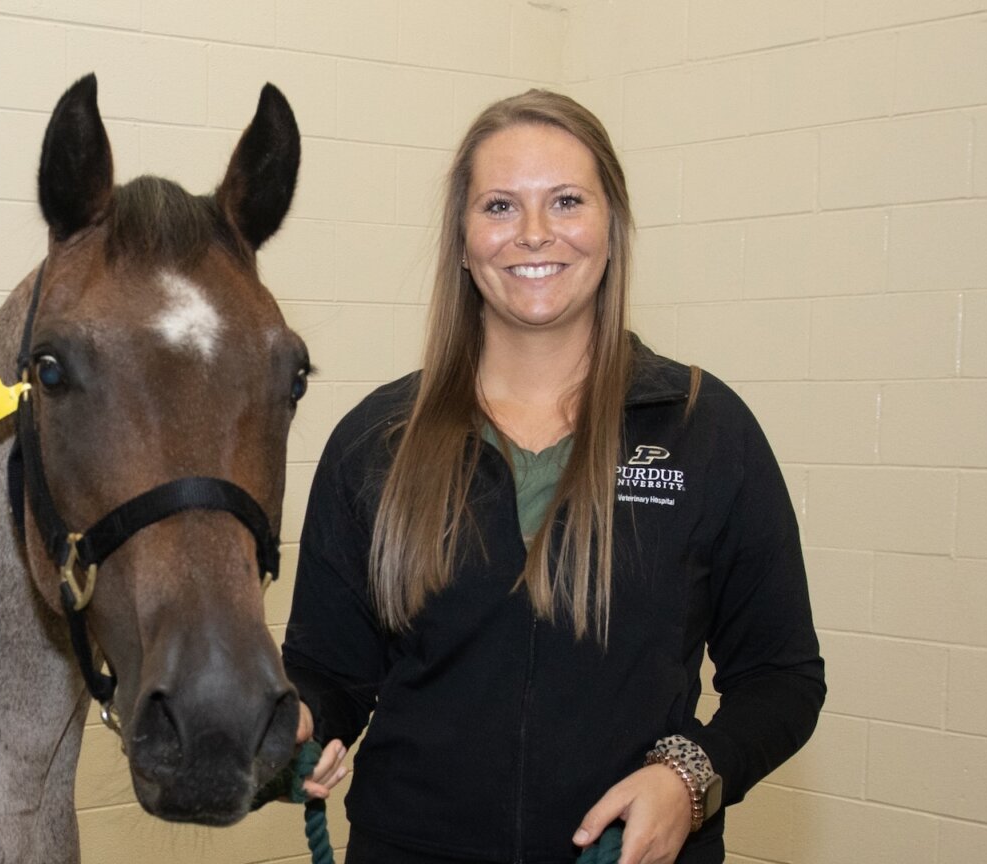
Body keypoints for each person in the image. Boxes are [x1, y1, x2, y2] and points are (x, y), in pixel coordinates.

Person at [282, 89, 825, 864]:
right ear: (463, 242)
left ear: (611, 228)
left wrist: (689, 779)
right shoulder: (377, 441)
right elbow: (330, 670)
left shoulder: (704, 428)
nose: (533, 233)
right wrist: (301, 717)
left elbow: (782, 676)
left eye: (566, 201)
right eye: (500, 206)